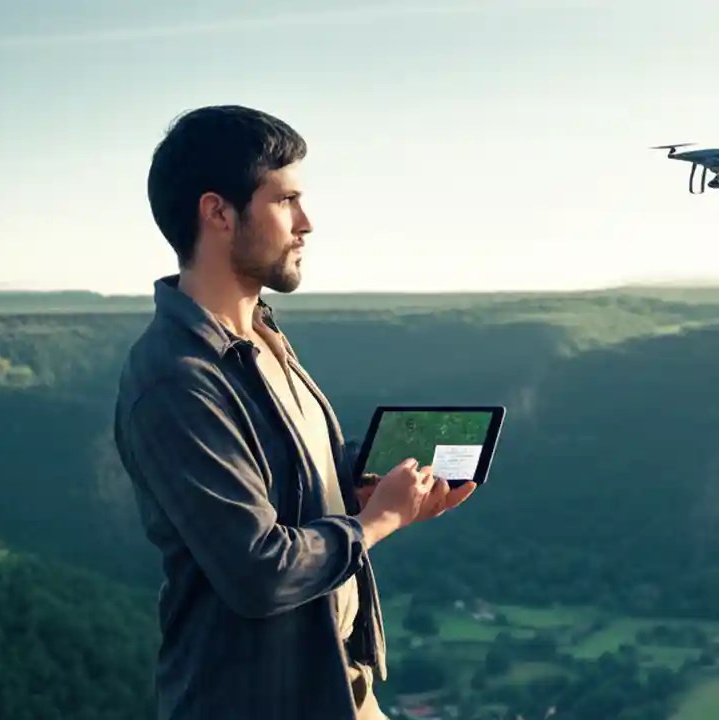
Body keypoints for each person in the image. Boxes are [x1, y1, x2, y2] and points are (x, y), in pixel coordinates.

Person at [112, 104, 476, 720]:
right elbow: (257, 571)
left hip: (337, 686)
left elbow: (294, 478)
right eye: (286, 201)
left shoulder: (262, 341)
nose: (306, 223)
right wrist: (379, 521)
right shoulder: (176, 380)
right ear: (218, 212)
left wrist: (362, 482)